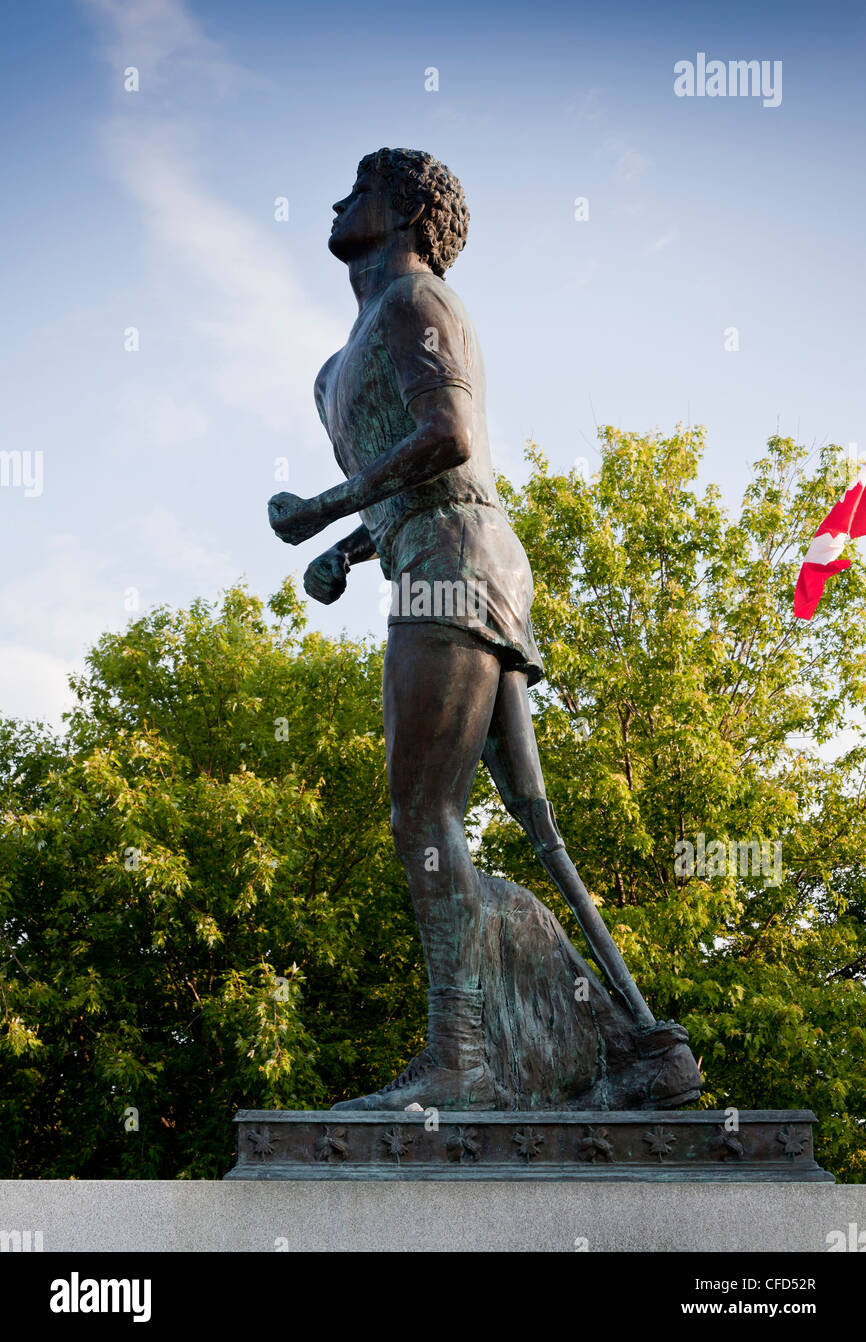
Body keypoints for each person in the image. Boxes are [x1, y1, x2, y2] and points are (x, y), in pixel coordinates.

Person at [268, 148, 701, 1111]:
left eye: (366, 188)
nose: (341, 200)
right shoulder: (334, 366)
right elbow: (415, 480)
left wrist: (323, 510)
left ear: (415, 213)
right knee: (522, 822)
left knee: (423, 813)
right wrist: (354, 546)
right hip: (432, 551)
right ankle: (632, 1043)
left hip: (461, 559)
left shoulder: (418, 305)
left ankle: (459, 1056)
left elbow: (451, 441)